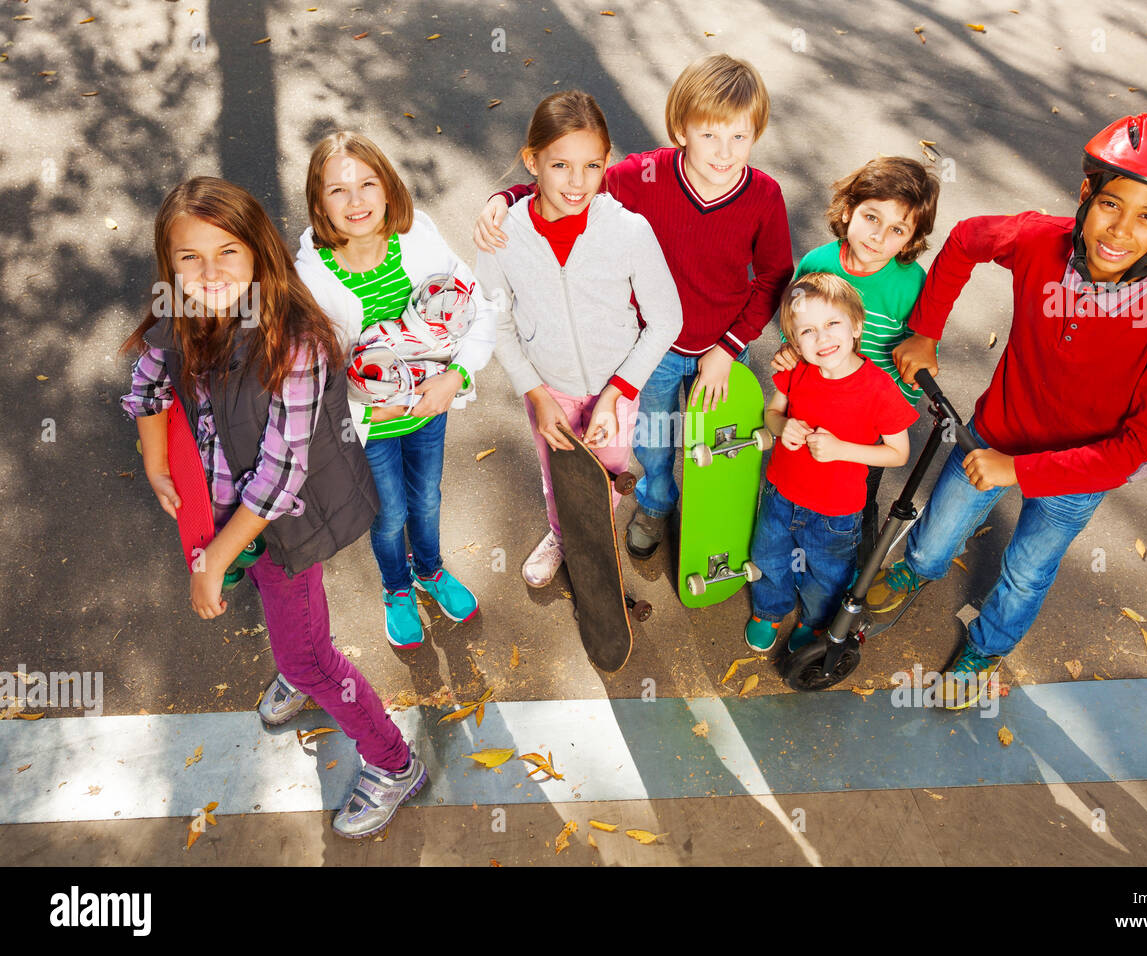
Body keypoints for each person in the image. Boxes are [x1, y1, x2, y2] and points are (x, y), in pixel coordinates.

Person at [871, 111, 1147, 709]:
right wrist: (926, 329)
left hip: (1079, 471)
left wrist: (1020, 471)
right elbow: (966, 241)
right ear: (1086, 195)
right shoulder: (1040, 240)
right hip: (995, 431)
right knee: (935, 533)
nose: (1120, 231)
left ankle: (989, 645)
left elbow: (1144, 442)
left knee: (1028, 570)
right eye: (1111, 205)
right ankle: (915, 571)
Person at [121, 176, 425, 839]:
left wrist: (212, 561)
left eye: (227, 253)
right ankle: (302, 663)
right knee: (290, 620)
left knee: (309, 652)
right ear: (168, 265)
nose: (208, 274)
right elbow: (148, 377)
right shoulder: (185, 317)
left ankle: (394, 762)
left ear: (259, 253)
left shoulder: (294, 344)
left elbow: (279, 480)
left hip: (281, 525)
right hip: (231, 523)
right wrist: (152, 461)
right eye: (188, 258)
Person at [474, 53, 792, 560]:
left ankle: (721, 521)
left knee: (722, 440)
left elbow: (775, 274)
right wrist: (504, 197)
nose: (725, 151)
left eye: (740, 137)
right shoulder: (643, 175)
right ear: (681, 128)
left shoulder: (764, 196)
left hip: (724, 346)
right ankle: (656, 501)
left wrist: (730, 347)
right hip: (654, 349)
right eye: (710, 134)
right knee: (652, 444)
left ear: (755, 135)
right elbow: (571, 183)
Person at [295, 131, 496, 649]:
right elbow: (313, 380)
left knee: (426, 500)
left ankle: (430, 571)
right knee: (390, 517)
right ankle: (397, 588)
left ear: (388, 188)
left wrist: (456, 378)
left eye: (367, 183)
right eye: (338, 191)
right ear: (319, 203)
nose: (356, 200)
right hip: (371, 429)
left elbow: (478, 311)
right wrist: (366, 418)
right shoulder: (312, 280)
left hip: (430, 409)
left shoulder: (420, 239)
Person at [474, 90, 683, 586]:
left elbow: (667, 319)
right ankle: (562, 536)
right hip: (550, 389)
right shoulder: (502, 235)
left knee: (607, 473)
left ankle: (593, 533)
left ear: (607, 162)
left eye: (591, 166)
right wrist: (536, 394)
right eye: (561, 165)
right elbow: (496, 319)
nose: (576, 182)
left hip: (618, 388)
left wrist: (617, 392)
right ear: (532, 162)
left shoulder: (628, 230)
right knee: (559, 476)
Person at [770, 157, 940, 556]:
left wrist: (897, 407)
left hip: (869, 413)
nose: (878, 236)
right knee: (797, 475)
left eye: (897, 229)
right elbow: (794, 325)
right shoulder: (818, 263)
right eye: (871, 217)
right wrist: (790, 350)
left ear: (911, 239)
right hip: (815, 395)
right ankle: (788, 546)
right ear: (848, 211)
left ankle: (848, 568)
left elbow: (919, 351)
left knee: (859, 493)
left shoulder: (913, 284)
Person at [747, 273, 917, 653]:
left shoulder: (878, 388)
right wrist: (781, 424)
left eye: (832, 324)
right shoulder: (796, 371)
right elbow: (772, 411)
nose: (822, 339)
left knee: (825, 576)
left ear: (856, 325)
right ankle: (768, 610)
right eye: (807, 331)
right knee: (770, 557)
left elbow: (898, 453)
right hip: (780, 494)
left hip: (836, 514)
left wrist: (842, 449)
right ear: (794, 341)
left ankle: (814, 623)